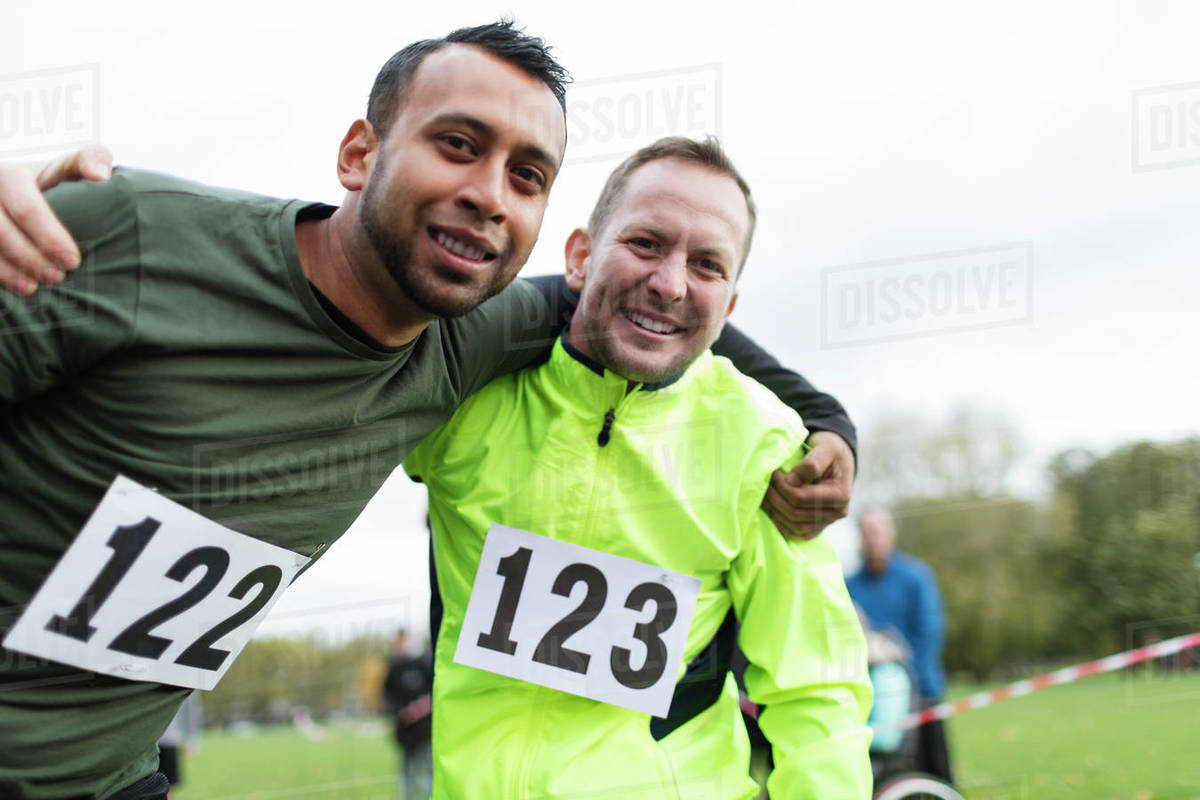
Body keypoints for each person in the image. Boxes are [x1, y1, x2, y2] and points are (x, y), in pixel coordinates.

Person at [0, 21, 856, 800]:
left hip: (115, 781)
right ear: (358, 155)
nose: (489, 194)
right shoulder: (126, 238)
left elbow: (643, 314)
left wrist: (829, 425)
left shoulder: (464, 345)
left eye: (526, 176)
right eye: (456, 144)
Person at [405, 136, 873, 799]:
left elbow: (816, 687)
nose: (671, 283)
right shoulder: (463, 395)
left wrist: (833, 423)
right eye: (646, 244)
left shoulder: (764, 443)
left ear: (730, 306)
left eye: (708, 264)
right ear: (580, 257)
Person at [846, 508, 953, 783]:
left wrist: (906, 677)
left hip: (921, 691)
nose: (873, 539)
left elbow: (929, 632)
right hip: (871, 699)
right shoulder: (849, 585)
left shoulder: (916, 577)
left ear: (890, 533)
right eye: (867, 533)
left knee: (935, 773)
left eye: (878, 531)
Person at [382, 629, 433, 800]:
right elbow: (388, 696)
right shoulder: (395, 668)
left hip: (425, 730)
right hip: (405, 733)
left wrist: (418, 710)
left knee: (427, 769)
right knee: (406, 771)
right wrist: (401, 712)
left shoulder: (424, 664)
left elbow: (433, 692)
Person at [156, 692, 203, 797]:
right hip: (145, 740)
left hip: (167, 739)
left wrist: (191, 739)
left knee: (167, 788)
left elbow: (191, 706)